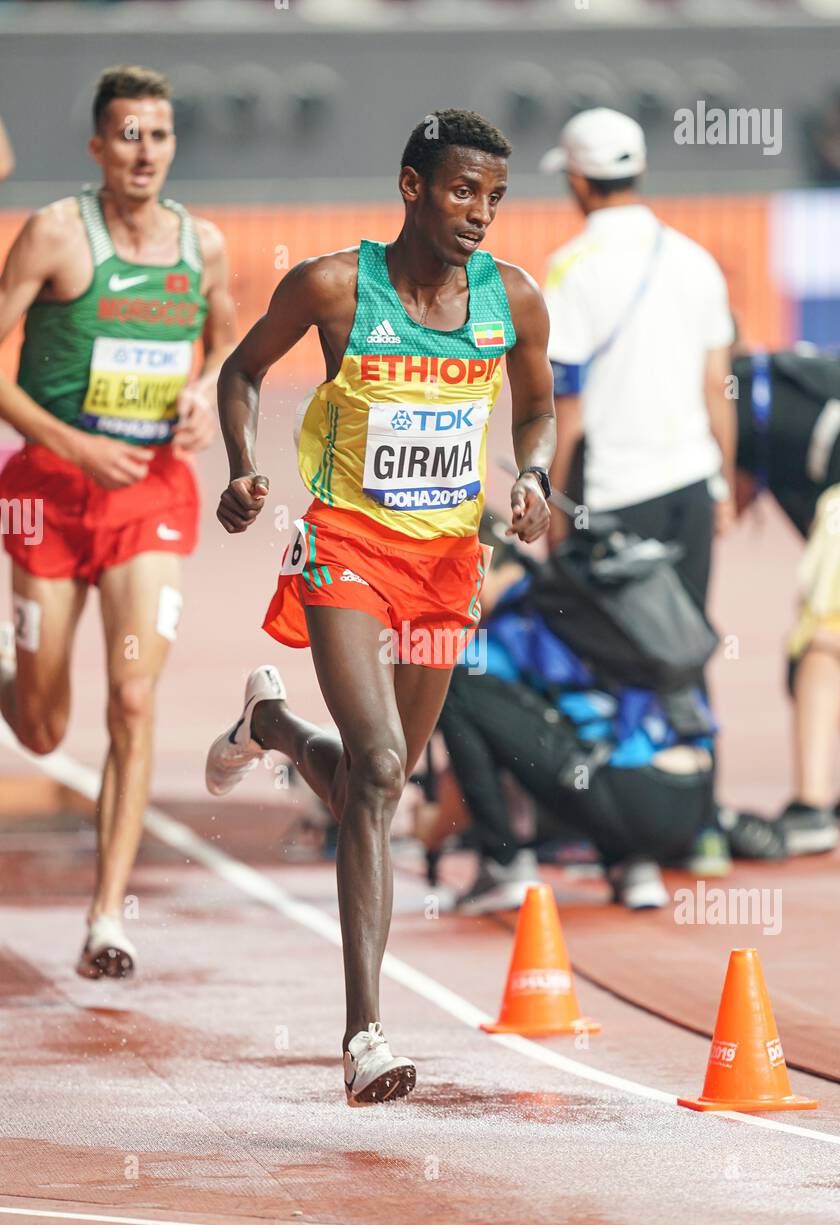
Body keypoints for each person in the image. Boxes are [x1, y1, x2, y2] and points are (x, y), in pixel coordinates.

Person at [206, 108, 553, 1106]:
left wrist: (530, 470)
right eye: (460, 191)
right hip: (346, 546)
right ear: (411, 188)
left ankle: (266, 721)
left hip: (447, 561)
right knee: (387, 767)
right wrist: (240, 469)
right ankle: (363, 1033)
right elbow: (240, 371)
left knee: (373, 785)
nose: (479, 214)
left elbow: (536, 401)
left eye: (493, 196)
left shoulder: (513, 301)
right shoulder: (332, 288)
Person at [0, 65, 236, 977]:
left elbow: (222, 331)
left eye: (160, 136)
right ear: (99, 148)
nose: (145, 152)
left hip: (147, 491)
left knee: (134, 698)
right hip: (53, 491)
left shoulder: (201, 244)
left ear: (173, 146)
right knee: (45, 727)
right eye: (128, 135)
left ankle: (108, 917)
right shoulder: (57, 234)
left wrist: (205, 392)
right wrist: (73, 443)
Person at [539, 106, 737, 874]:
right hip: (688, 482)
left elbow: (568, 400)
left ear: (581, 181)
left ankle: (624, 825)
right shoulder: (694, 258)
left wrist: (551, 498)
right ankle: (704, 821)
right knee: (685, 648)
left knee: (614, 654)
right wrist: (721, 480)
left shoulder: (571, 266)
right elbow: (716, 387)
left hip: (613, 493)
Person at [435, 519, 715, 913]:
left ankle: (504, 866)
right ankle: (631, 864)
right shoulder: (575, 593)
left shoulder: (510, 621)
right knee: (578, 727)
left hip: (632, 797)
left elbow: (476, 735)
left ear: (477, 566)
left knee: (455, 686)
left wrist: (434, 830)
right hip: (695, 800)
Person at [733, 345, 840, 852]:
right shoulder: (776, 384)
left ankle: (810, 808)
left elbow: (726, 498)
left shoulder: (731, 404)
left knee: (822, 634)